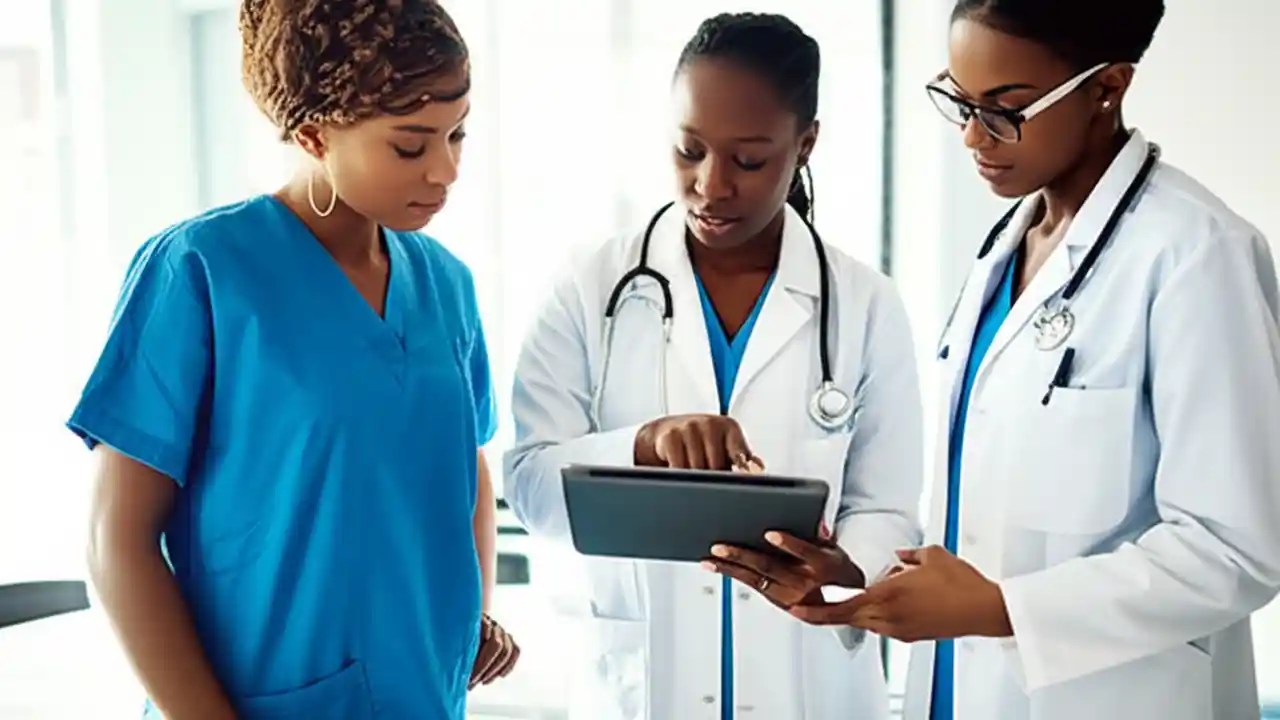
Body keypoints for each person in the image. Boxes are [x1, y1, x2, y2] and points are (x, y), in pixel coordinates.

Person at [721, 1, 1280, 719]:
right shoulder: (1005, 249)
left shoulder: (1197, 256)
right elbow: (983, 513)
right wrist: (857, 576)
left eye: (1004, 110)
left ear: (1107, 87)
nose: (971, 137)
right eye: (958, 101)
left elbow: (1235, 548)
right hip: (958, 689)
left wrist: (999, 609)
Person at [68, 1, 519, 717]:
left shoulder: (447, 285)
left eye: (458, 134)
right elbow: (115, 539)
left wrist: (473, 618)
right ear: (314, 133)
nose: (447, 170)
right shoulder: (201, 270)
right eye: (412, 145)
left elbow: (464, 466)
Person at [503, 12, 923, 720]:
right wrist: (643, 444)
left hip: (807, 685)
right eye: (688, 150)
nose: (711, 184)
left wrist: (843, 567)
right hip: (641, 687)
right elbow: (530, 485)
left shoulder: (864, 304)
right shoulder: (589, 286)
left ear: (805, 144)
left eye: (749, 160)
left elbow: (886, 507)